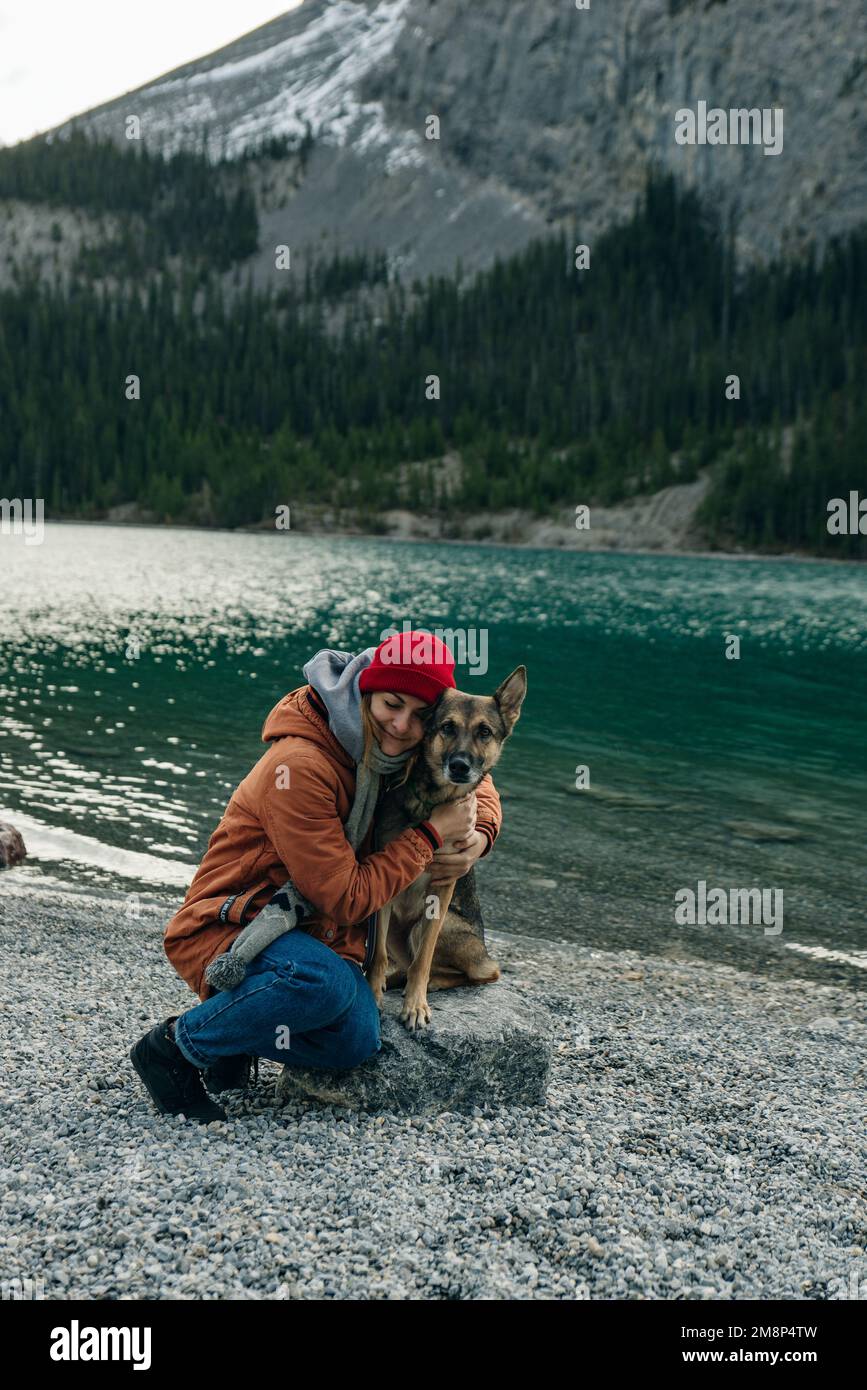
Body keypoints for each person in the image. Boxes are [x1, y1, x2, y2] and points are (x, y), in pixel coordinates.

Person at [130, 631, 502, 1121]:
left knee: (353, 1041)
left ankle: (235, 1038)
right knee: (319, 985)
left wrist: (479, 836)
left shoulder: (402, 749)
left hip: (319, 932)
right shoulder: (301, 765)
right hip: (238, 923)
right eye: (391, 704)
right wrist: (431, 837)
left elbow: (477, 776)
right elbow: (346, 898)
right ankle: (176, 1048)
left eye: (419, 717)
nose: (402, 724)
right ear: (365, 690)